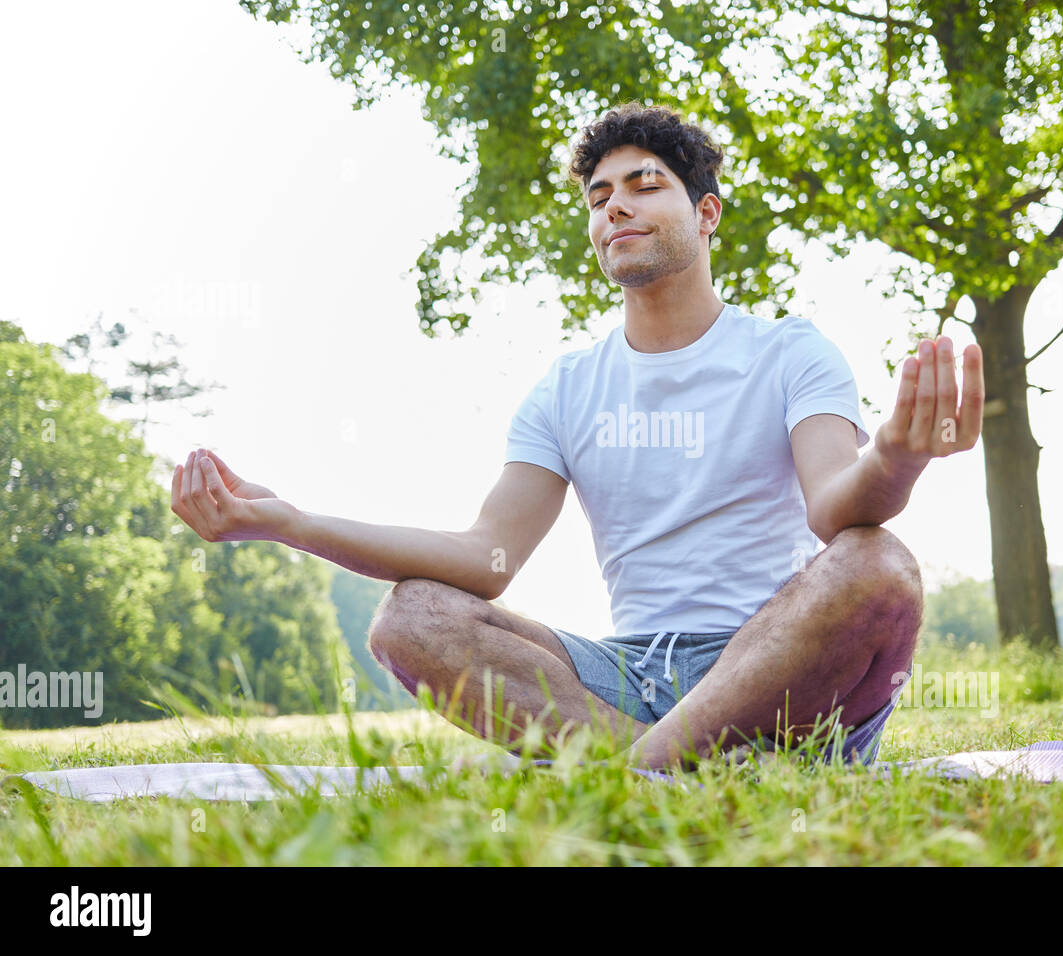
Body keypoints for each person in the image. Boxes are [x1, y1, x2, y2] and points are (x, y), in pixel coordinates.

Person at [171, 101, 984, 772]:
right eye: (598, 197)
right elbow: (483, 559)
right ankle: (673, 769)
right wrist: (287, 522)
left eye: (643, 184)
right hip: (624, 676)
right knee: (410, 619)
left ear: (705, 215)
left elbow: (837, 508)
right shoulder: (565, 390)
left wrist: (897, 456)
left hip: (774, 667)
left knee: (876, 561)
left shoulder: (789, 352)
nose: (615, 205)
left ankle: (634, 774)